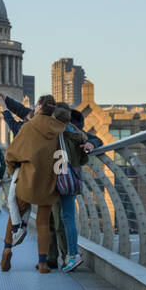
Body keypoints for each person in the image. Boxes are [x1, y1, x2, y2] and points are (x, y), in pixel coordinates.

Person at [0, 101, 75, 274]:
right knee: (43, 223)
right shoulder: (60, 129)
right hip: (48, 182)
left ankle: (7, 249)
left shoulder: (28, 127)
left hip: (27, 179)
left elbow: (12, 153)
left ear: (39, 109)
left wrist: (13, 169)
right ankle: (42, 263)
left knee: (15, 215)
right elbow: (62, 155)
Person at [52, 108, 101, 272]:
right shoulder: (77, 134)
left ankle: (73, 255)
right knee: (68, 217)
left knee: (65, 218)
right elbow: (83, 158)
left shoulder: (55, 135)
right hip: (72, 179)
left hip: (59, 179)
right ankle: (72, 254)